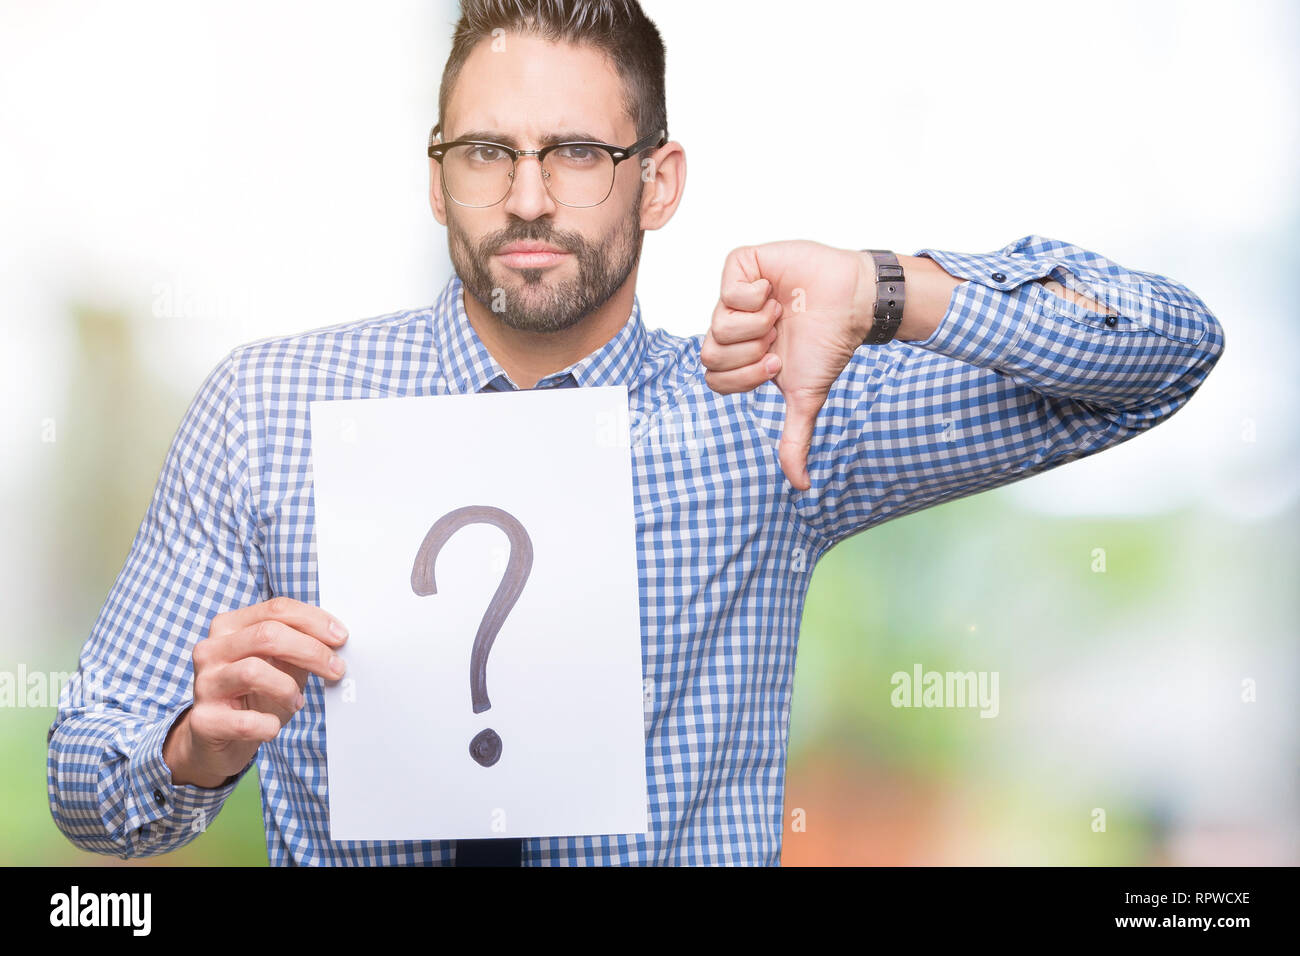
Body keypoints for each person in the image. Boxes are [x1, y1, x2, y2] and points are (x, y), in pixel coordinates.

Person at [47, 0, 1225, 866]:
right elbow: (82, 778)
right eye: (486, 152)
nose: (525, 195)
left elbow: (1162, 354)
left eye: (577, 152)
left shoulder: (773, 406)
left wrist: (886, 287)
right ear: (436, 178)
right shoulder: (270, 411)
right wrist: (191, 748)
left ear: (657, 183)